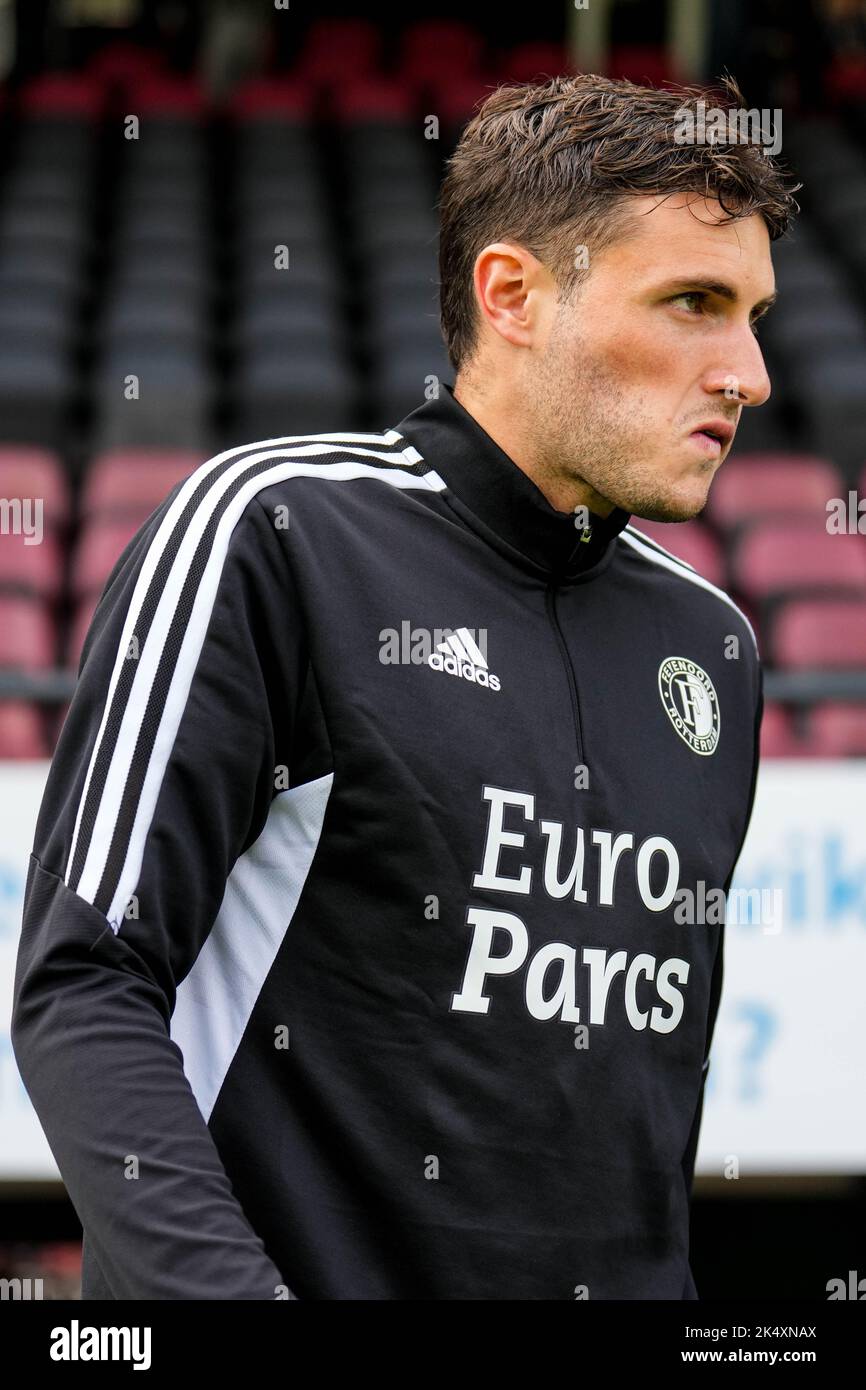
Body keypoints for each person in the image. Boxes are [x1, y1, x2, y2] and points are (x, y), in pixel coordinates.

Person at [12, 72, 799, 1299]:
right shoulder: (276, 531)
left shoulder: (713, 645)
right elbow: (85, 979)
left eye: (751, 314)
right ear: (512, 295)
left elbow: (638, 1123)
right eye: (692, 302)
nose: (745, 371)